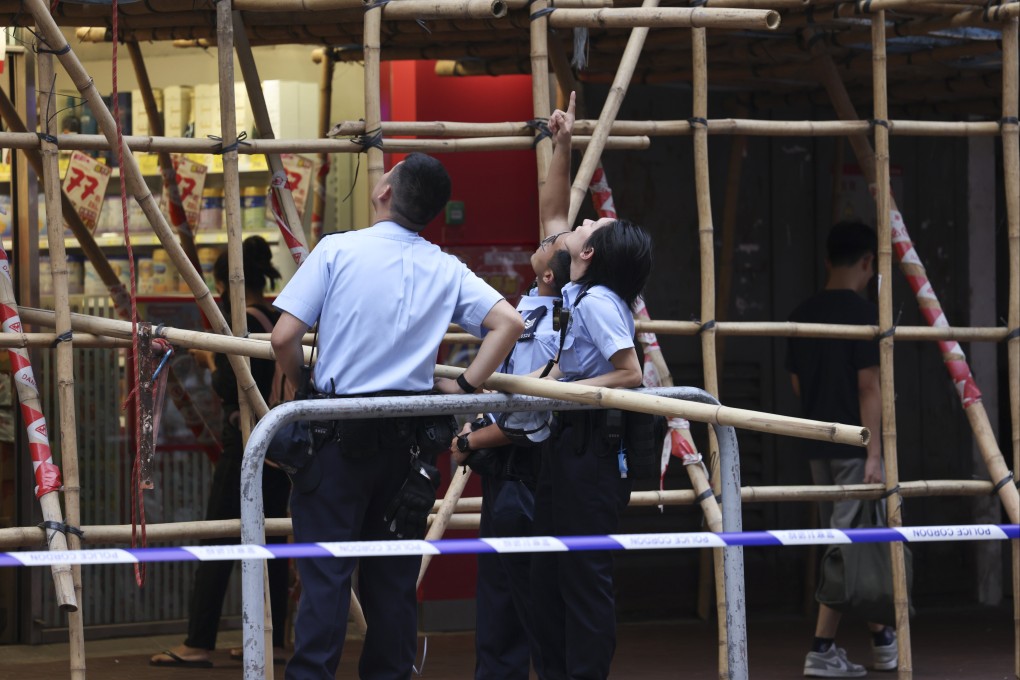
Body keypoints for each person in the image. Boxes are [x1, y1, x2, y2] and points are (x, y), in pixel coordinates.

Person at [270, 152, 524, 680]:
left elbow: (283, 337)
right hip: (410, 448)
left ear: (385, 190)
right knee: (392, 584)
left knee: (325, 580)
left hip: (337, 441)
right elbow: (508, 323)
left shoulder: (338, 250)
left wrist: (303, 388)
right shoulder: (446, 266)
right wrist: (466, 385)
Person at [527, 92, 653, 680]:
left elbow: (630, 372)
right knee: (553, 573)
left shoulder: (600, 301)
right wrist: (563, 141)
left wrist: (568, 392)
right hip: (568, 442)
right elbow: (554, 213)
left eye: (588, 226)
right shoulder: (577, 287)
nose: (578, 223)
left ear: (591, 252)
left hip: (590, 449)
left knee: (583, 579)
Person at [150, 235, 292, 668]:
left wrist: (212, 359)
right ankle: (276, 639)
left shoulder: (242, 324)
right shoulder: (275, 316)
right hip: (280, 447)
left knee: (218, 540)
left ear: (226, 279)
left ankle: (199, 641)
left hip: (247, 448)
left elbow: (233, 389)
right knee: (274, 543)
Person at [450, 239, 571, 680]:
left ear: (549, 276)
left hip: (520, 475)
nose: (549, 238)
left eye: (555, 242)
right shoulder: (536, 308)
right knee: (505, 602)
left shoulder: (551, 324)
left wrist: (470, 442)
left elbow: (525, 418)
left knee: (518, 602)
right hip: (510, 475)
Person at [786, 220, 898, 678]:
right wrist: (873, 453)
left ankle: (881, 637)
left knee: (845, 534)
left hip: (819, 444)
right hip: (855, 446)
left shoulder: (802, 312)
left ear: (828, 260)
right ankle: (822, 647)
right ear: (869, 262)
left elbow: (797, 383)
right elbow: (869, 387)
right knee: (845, 542)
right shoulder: (862, 314)